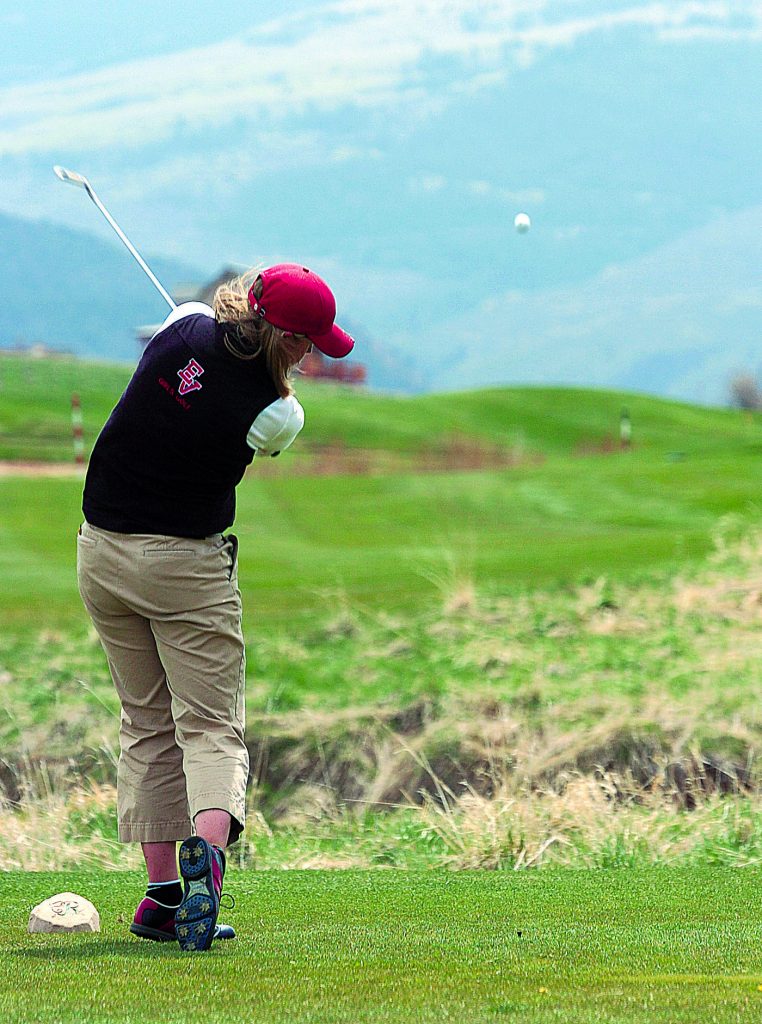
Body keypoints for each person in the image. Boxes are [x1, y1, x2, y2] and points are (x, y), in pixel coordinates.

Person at [76, 263, 354, 952]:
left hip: (101, 550)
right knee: (210, 727)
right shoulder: (279, 413)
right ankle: (210, 872)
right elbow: (262, 405)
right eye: (308, 341)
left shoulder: (181, 326)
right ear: (286, 336)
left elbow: (189, 341)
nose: (315, 352)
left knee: (146, 722)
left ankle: (162, 898)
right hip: (184, 567)